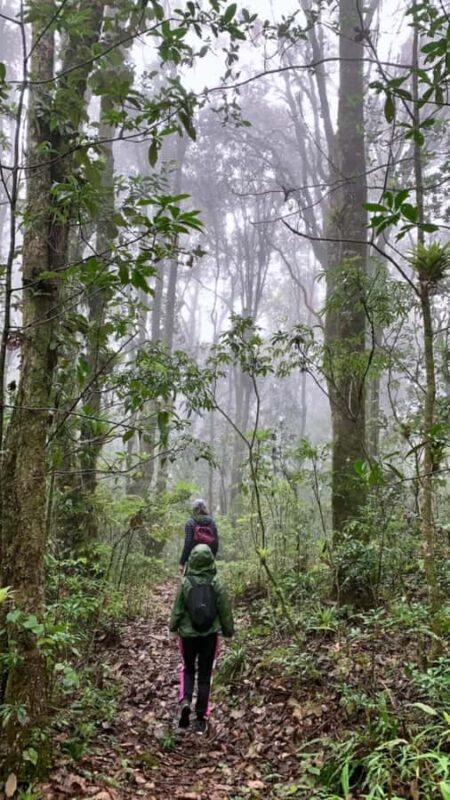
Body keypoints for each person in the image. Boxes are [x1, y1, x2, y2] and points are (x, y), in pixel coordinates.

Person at [169, 543, 234, 734]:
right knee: (205, 675)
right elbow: (225, 610)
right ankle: (200, 719)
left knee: (188, 669)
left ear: (192, 561)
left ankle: (186, 700)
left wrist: (173, 628)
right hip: (209, 636)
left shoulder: (185, 582)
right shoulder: (217, 582)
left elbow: (177, 609)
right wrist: (228, 632)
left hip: (188, 636)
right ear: (210, 561)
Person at [179, 499, 219, 573]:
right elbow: (215, 542)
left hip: (193, 558)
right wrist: (212, 557)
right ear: (205, 508)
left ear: (194, 509)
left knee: (192, 580)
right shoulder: (212, 522)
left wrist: (182, 562)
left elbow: (188, 543)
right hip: (208, 557)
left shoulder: (190, 522)